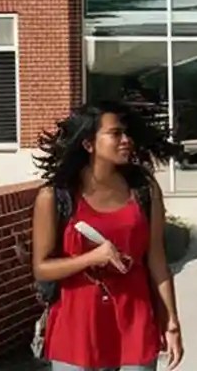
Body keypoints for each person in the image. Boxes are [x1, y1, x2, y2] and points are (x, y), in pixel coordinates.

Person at [29, 100, 184, 371]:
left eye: (126, 133)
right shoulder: (55, 196)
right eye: (115, 134)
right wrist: (90, 258)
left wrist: (171, 321)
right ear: (89, 145)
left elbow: (157, 261)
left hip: (134, 320)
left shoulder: (143, 189)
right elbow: (42, 268)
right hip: (77, 327)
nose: (126, 140)